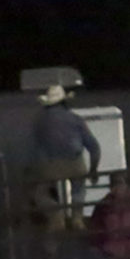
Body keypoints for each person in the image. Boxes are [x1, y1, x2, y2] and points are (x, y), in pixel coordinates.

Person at [29, 84, 101, 232]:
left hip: (51, 165)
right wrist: (93, 170)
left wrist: (37, 170)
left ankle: (56, 216)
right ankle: (77, 219)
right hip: (75, 163)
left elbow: (36, 149)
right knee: (79, 189)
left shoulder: (40, 121)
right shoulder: (75, 119)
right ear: (64, 102)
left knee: (40, 194)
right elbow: (94, 147)